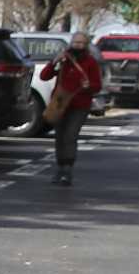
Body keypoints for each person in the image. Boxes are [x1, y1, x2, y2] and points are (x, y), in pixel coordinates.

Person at [40, 31, 102, 187]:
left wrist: (88, 87)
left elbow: (97, 86)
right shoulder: (64, 59)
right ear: (71, 43)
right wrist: (54, 62)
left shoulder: (90, 62)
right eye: (76, 42)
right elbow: (44, 76)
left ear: (86, 45)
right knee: (60, 137)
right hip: (60, 104)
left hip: (79, 105)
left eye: (81, 43)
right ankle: (60, 168)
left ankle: (67, 170)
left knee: (70, 136)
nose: (78, 46)